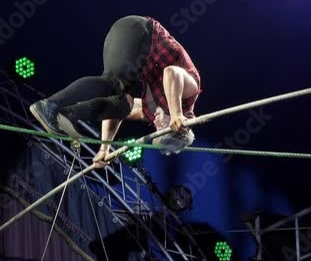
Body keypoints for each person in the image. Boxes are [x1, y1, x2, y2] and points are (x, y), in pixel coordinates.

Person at [29, 15, 201, 168]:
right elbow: (171, 73)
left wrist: (104, 147)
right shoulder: (188, 96)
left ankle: (67, 113)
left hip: (125, 43)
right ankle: (51, 104)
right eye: (165, 125)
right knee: (113, 84)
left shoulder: (149, 112)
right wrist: (177, 113)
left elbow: (118, 111)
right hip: (141, 33)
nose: (157, 124)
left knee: (121, 104)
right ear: (181, 126)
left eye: (157, 129)